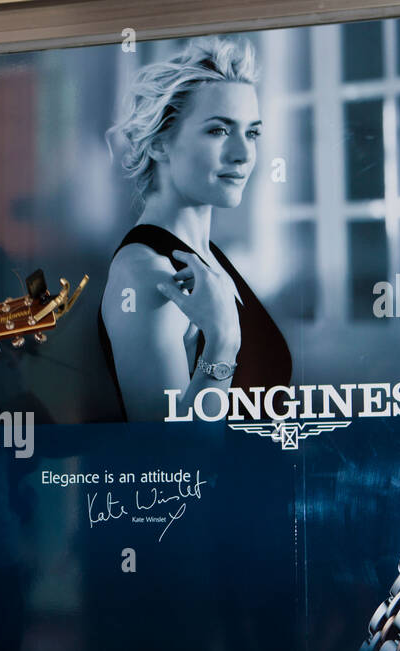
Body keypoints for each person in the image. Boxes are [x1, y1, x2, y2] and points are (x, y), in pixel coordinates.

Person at [98, 35, 291, 422]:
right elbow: (172, 463)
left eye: (252, 132)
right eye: (219, 131)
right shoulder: (145, 274)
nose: (243, 154)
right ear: (160, 144)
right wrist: (222, 343)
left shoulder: (209, 258)